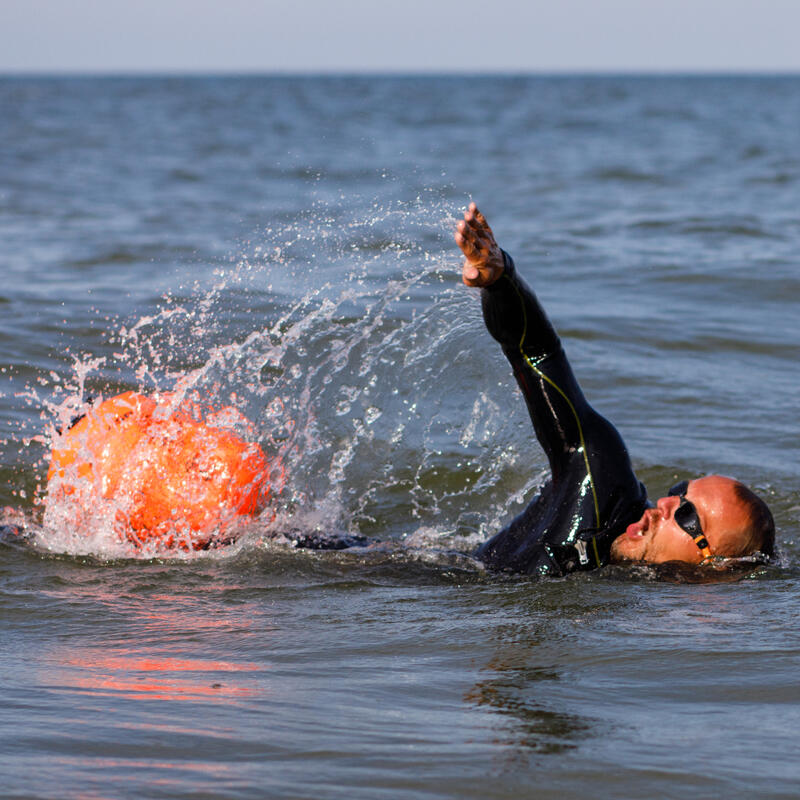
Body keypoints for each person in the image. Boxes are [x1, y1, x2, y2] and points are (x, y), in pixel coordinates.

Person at [455, 203, 775, 576]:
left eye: (687, 514)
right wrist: (500, 279)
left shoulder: (638, 618)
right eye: (680, 489)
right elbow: (538, 354)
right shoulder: (601, 479)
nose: (665, 501)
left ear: (715, 565)